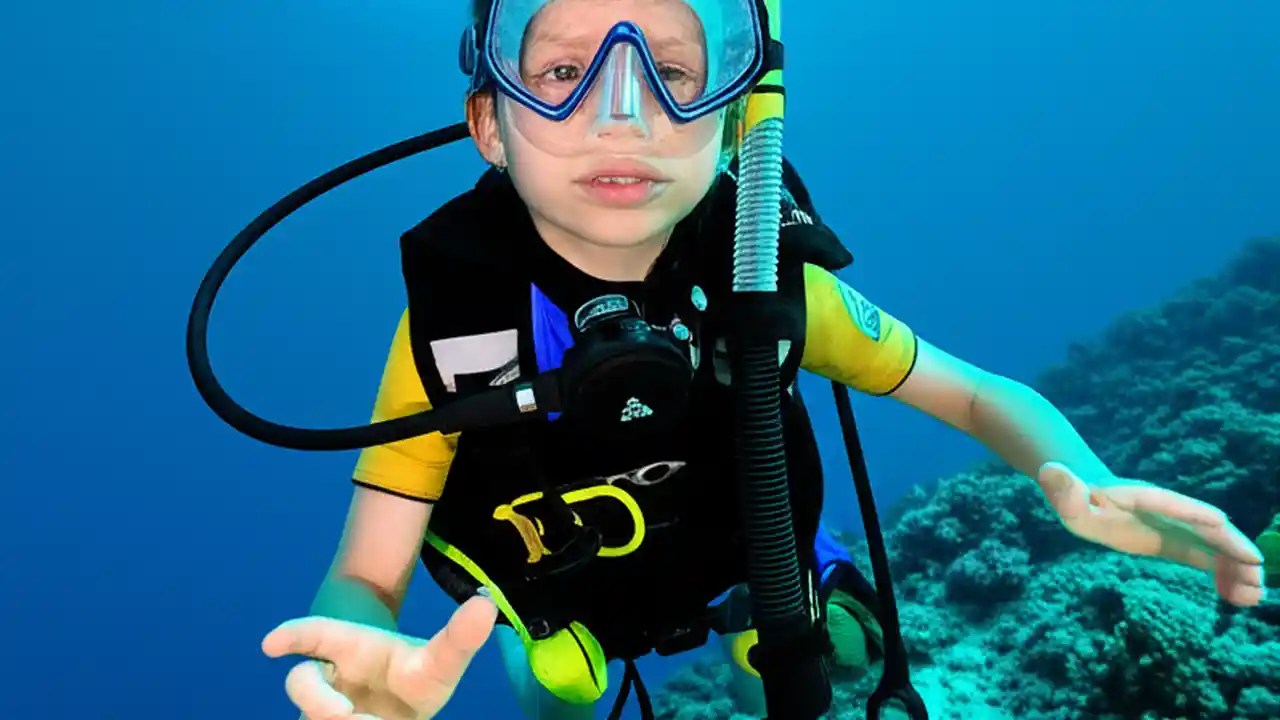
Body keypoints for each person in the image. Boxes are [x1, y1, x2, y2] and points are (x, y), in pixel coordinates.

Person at [259, 1, 1267, 719]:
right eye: (564, 71)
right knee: (560, 684)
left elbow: (971, 396)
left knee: (809, 664)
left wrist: (1076, 481)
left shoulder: (765, 280)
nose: (624, 109)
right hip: (559, 586)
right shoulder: (451, 328)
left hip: (746, 561)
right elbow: (365, 574)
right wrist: (366, 678)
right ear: (490, 122)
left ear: (738, 109)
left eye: (674, 70)